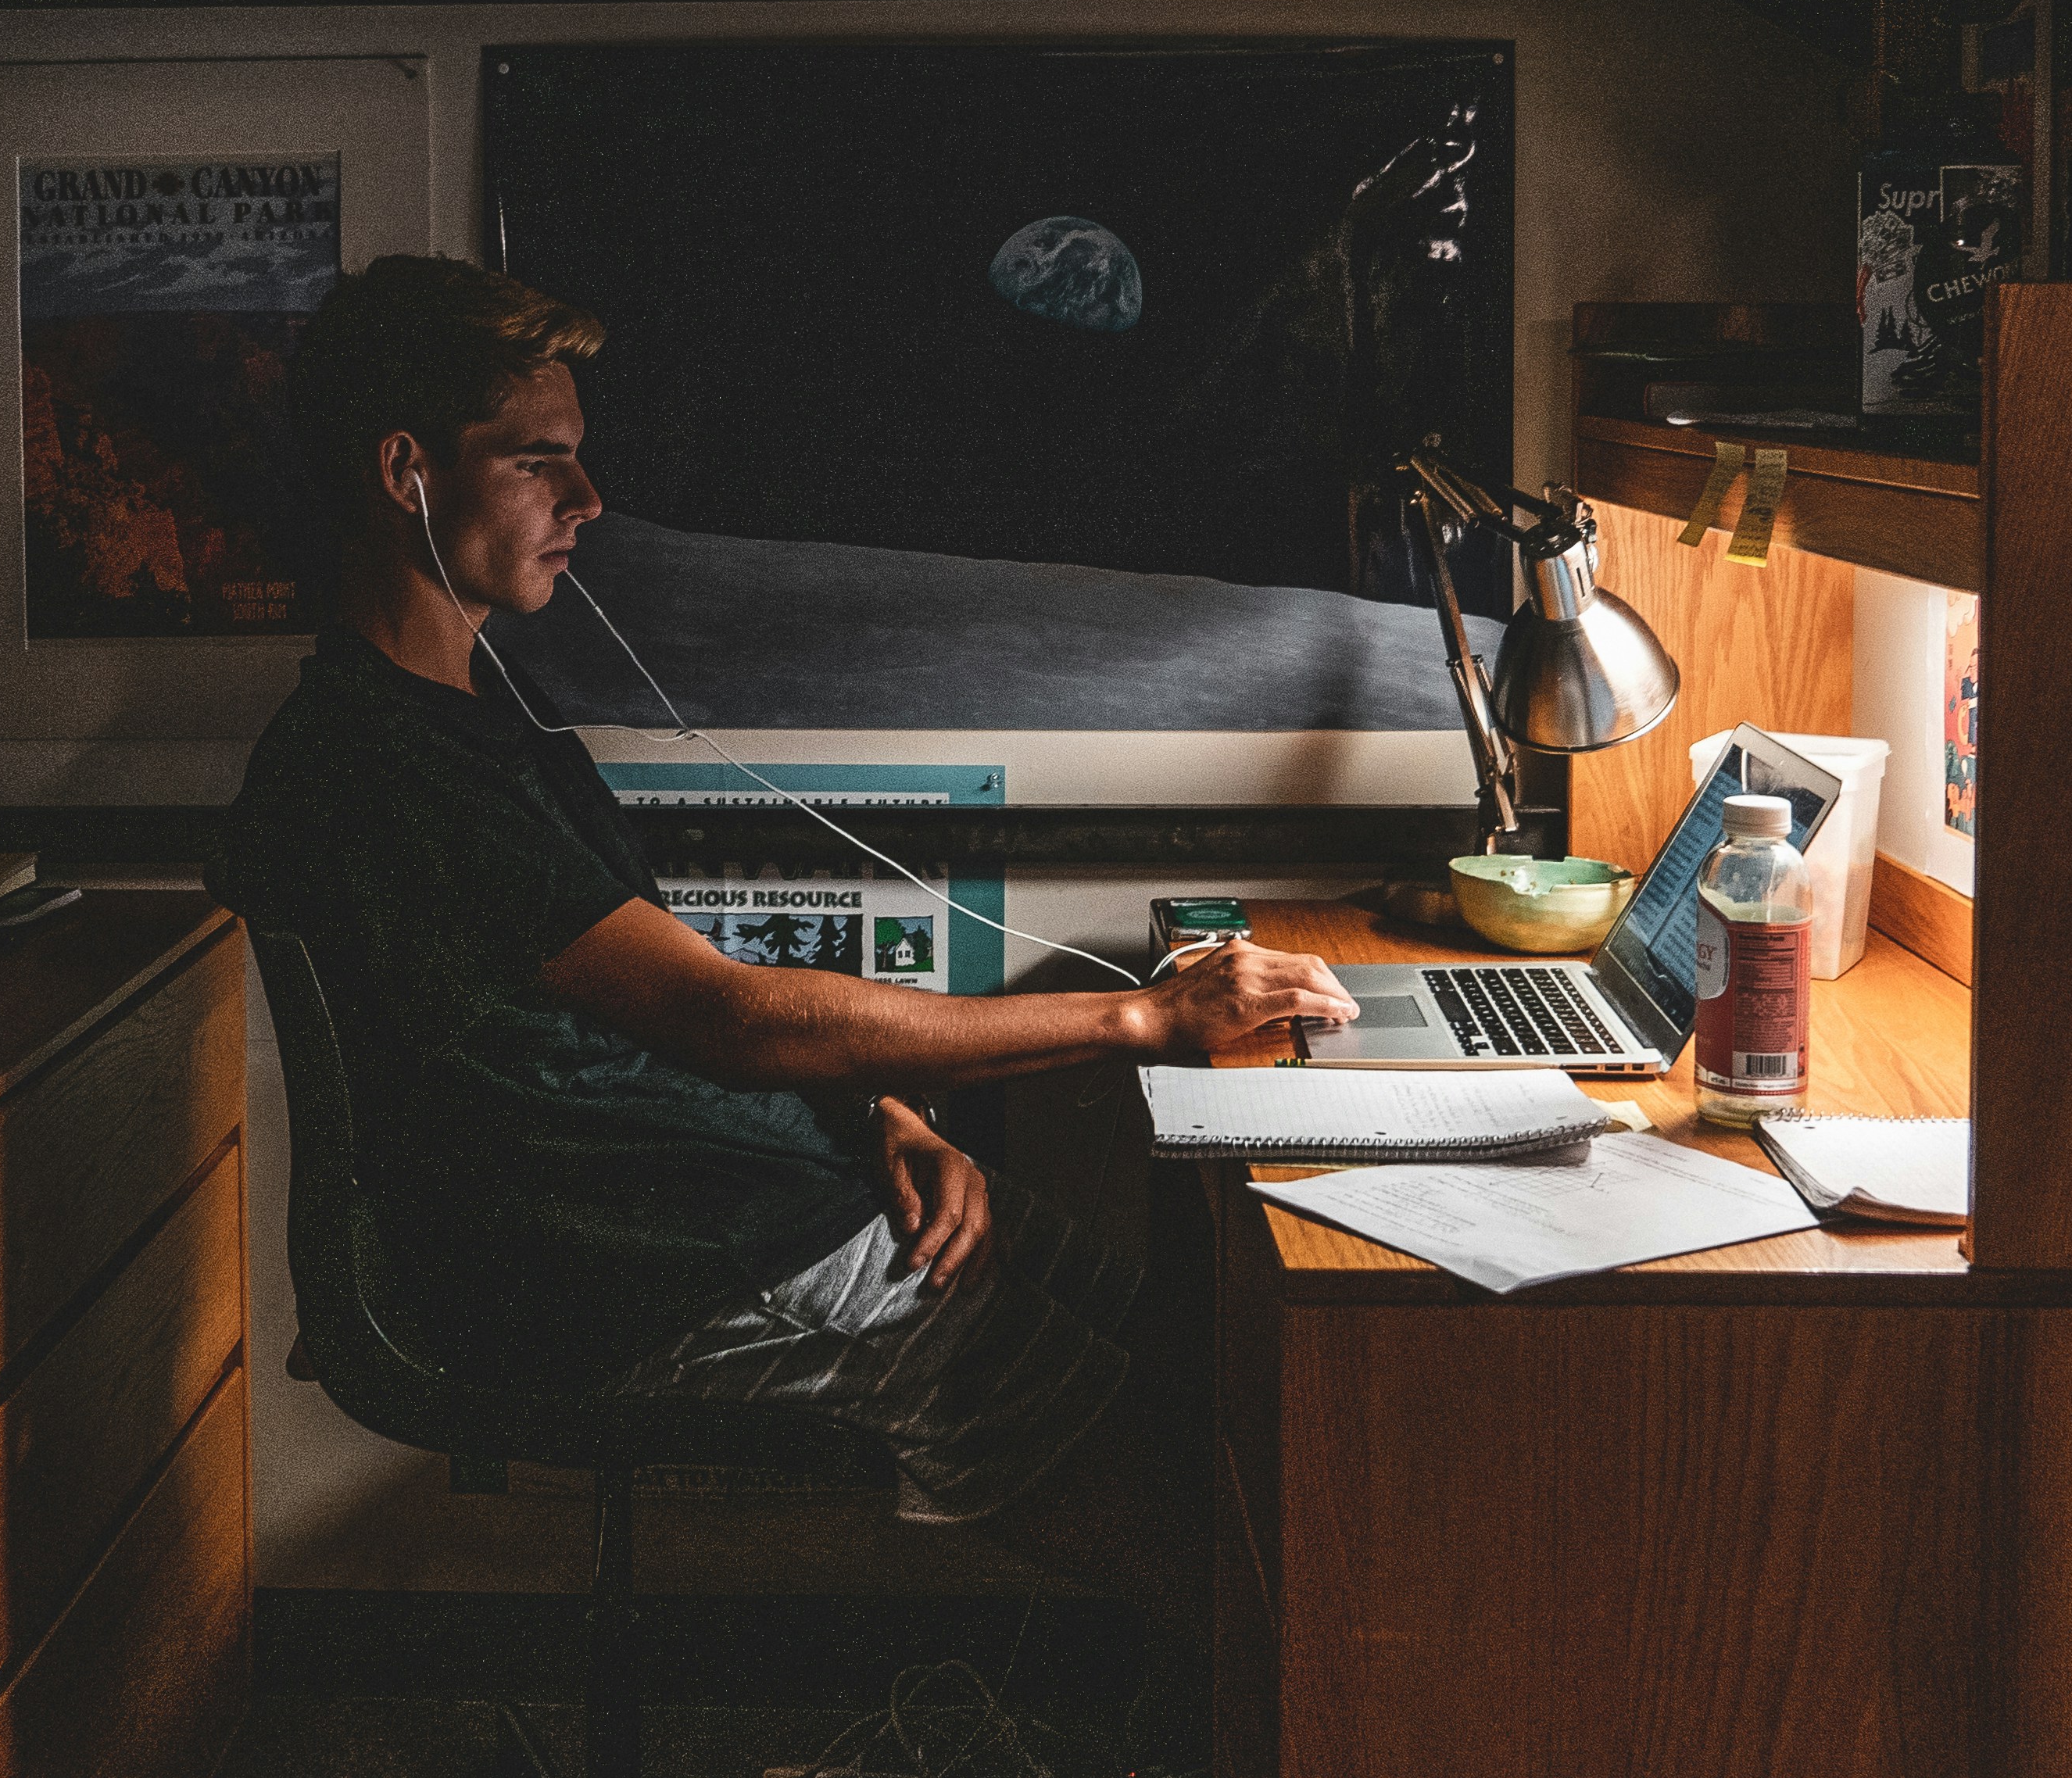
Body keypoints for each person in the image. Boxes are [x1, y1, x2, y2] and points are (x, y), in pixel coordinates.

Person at [206, 253, 1356, 1627]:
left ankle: (1243, 1697)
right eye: (538, 461)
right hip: (638, 1267)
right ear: (409, 472)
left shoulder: (485, 731)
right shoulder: (379, 771)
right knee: (1192, 1502)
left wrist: (879, 1113)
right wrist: (1145, 1019)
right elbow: (728, 1018)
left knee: (1144, 1324)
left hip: (718, 1198)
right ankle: (1293, 1699)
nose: (587, 499)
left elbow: (665, 1015)